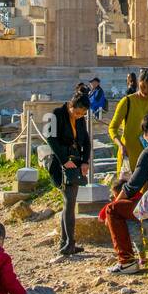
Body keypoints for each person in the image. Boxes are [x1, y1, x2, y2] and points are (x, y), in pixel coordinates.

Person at [102, 111, 148, 274]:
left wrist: (114, 204)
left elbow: (131, 187)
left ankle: (126, 261)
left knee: (112, 211)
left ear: (146, 133)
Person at [46, 93, 91, 261]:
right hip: (61, 164)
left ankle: (67, 243)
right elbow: (50, 138)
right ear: (71, 106)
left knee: (70, 202)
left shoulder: (80, 119)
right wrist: (64, 160)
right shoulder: (55, 114)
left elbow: (86, 141)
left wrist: (85, 161)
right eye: (77, 112)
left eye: (82, 114)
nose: (79, 116)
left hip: (76, 163)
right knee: (69, 201)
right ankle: (68, 243)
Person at [107, 68, 148, 177]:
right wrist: (120, 145)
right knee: (126, 191)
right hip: (129, 156)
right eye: (143, 86)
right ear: (138, 83)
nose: (145, 91)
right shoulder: (127, 101)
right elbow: (112, 128)